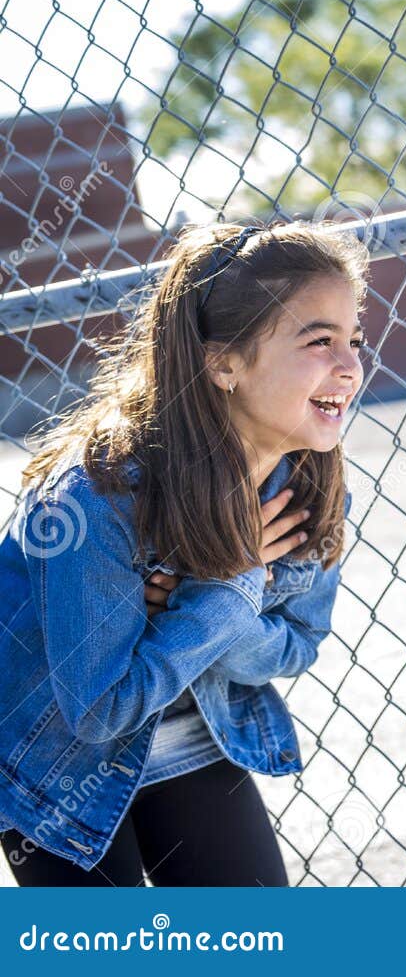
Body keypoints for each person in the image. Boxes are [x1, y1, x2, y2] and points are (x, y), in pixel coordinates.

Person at [0, 220, 365, 885]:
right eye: (319, 341)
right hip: (50, 757)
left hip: (193, 724)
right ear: (223, 362)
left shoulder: (310, 479)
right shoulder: (97, 494)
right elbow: (102, 708)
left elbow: (298, 642)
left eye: (354, 339)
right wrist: (229, 590)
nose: (350, 365)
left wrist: (215, 599)